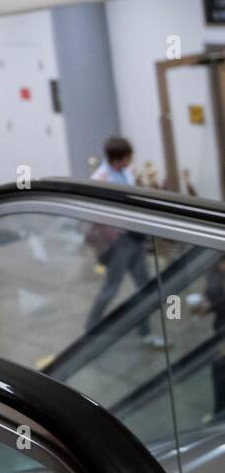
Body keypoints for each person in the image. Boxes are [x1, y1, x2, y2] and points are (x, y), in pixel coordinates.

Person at [84, 136, 162, 347]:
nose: (130, 161)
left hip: (132, 236)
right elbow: (96, 215)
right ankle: (90, 329)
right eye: (128, 157)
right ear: (119, 159)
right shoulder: (101, 178)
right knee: (111, 287)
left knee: (144, 285)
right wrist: (112, 237)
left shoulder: (124, 172)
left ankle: (144, 330)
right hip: (118, 240)